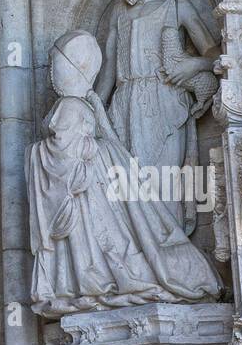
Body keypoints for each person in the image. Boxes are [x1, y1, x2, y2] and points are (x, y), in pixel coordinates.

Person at [25, 30, 221, 317]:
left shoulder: (69, 106)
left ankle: (98, 282)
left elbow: (61, 150)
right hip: (93, 185)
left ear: (74, 67)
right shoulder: (80, 106)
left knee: (102, 244)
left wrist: (33, 154)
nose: (51, 73)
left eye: (56, 64)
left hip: (87, 189)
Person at [96, 0, 218, 233]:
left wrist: (194, 64)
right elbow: (109, 71)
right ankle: (139, 265)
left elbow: (214, 53)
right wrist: (93, 111)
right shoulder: (118, 10)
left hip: (164, 103)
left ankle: (171, 260)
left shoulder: (177, 5)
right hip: (123, 105)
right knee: (126, 191)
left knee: (162, 185)